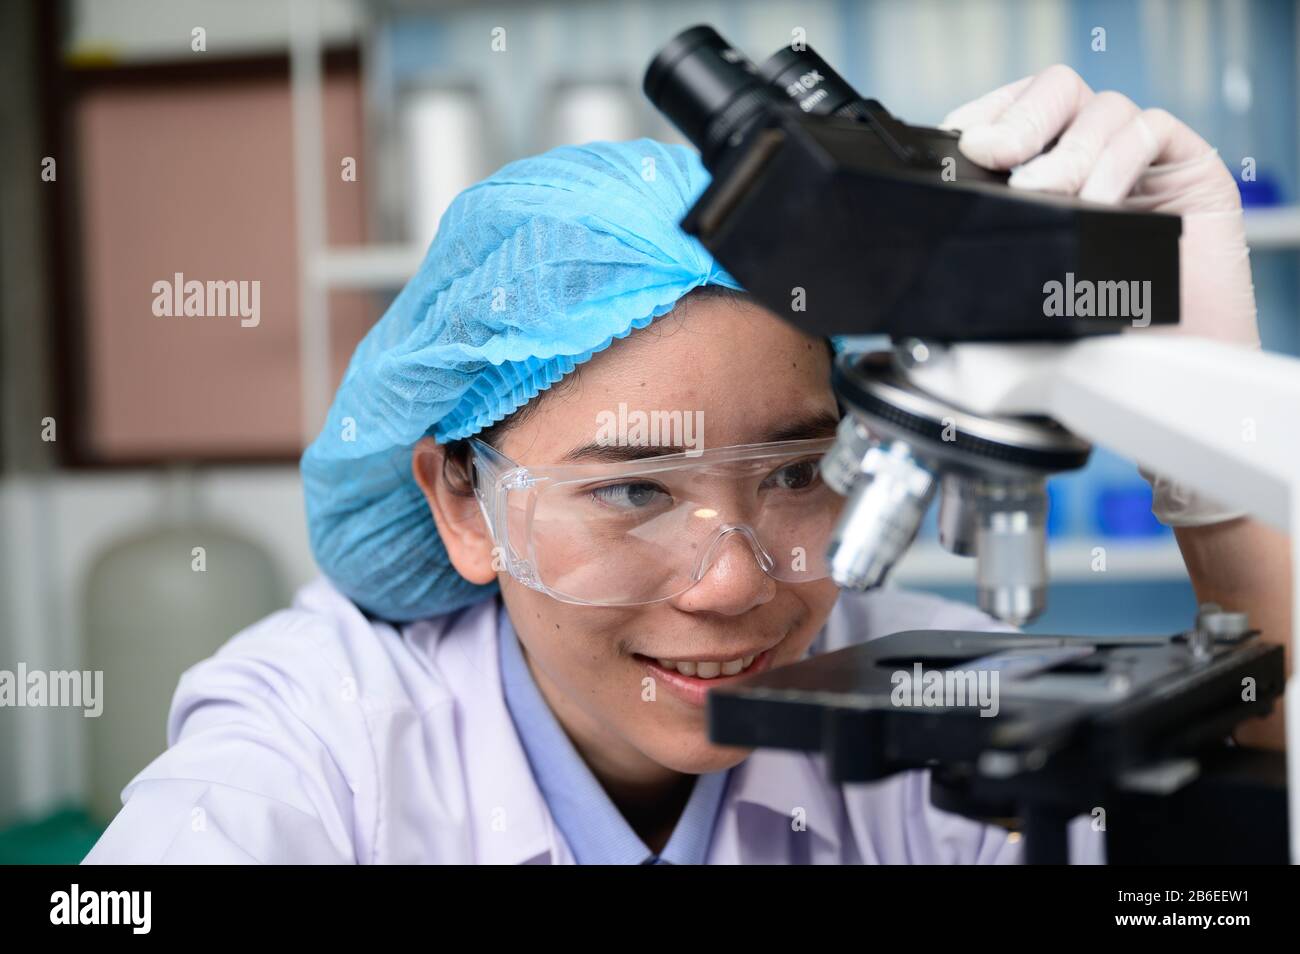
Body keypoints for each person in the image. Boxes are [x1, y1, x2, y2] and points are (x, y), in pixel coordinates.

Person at [85, 65, 1289, 864]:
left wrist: (1217, 444)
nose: (731, 587)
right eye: (630, 490)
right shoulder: (323, 734)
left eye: (792, 472)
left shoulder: (923, 688)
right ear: (463, 501)